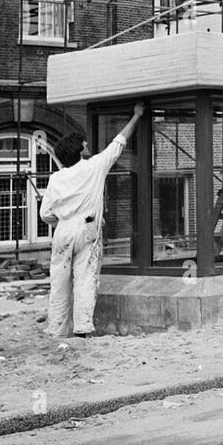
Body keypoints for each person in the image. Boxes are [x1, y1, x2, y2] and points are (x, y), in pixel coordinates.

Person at [41, 103, 145, 338]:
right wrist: (136, 116)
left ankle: (56, 328)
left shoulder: (56, 178)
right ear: (78, 151)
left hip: (63, 232)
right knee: (85, 278)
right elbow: (117, 144)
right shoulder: (94, 167)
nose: (88, 146)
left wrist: (62, 223)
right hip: (87, 229)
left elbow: (45, 213)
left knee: (59, 281)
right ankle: (82, 328)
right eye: (84, 145)